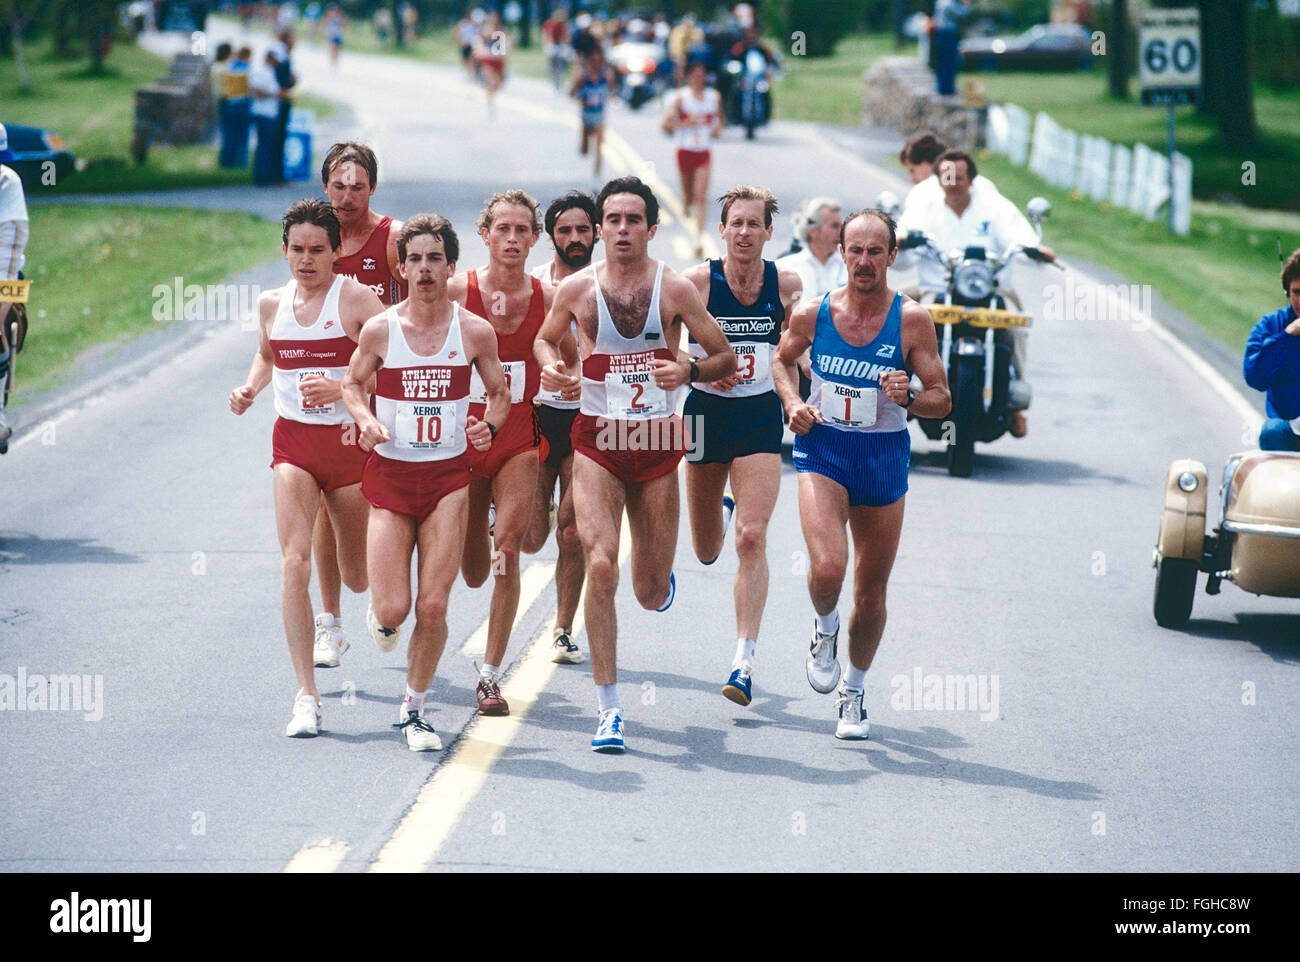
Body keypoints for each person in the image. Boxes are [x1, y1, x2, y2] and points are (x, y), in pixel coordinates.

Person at [535, 176, 736, 753]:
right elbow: (545, 342)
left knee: (647, 590)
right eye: (613, 220)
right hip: (596, 442)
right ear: (600, 229)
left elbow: (721, 354)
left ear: (651, 227)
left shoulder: (673, 290)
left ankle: (659, 575)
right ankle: (609, 709)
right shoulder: (576, 289)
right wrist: (553, 367)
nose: (622, 230)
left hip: (656, 447)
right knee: (601, 566)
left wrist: (689, 372)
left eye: (633, 220)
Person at [772, 209, 951, 739]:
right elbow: (781, 362)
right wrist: (791, 403)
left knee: (870, 595)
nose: (864, 261)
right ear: (841, 251)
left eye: (876, 251)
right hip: (823, 449)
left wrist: (912, 398)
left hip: (881, 458)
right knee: (828, 569)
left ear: (893, 256)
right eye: (855, 250)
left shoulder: (912, 320)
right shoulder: (812, 313)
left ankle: (854, 692)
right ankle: (824, 629)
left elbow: (943, 399)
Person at [341, 214, 511, 751]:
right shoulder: (382, 330)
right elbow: (351, 381)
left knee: (433, 606)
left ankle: (414, 709)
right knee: (393, 609)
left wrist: (488, 424)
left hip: (447, 481)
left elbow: (499, 392)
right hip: (391, 480)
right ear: (401, 267)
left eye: (434, 258)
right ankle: (384, 616)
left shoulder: (474, 331)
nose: (423, 269)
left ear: (450, 266)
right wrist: (366, 419)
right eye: (413, 259)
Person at [228, 199, 386, 737]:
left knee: (359, 575)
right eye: (297, 249)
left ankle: (354, 611)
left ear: (337, 251)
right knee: (293, 561)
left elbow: (394, 373)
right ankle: (306, 696)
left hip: (348, 448)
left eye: (318, 249)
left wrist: (344, 390)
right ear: (285, 250)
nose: (307, 260)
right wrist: (250, 387)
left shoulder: (358, 301)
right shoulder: (271, 303)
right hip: (292, 444)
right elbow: (269, 356)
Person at [680, 186, 803, 705]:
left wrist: (801, 400)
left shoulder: (786, 283)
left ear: (769, 232)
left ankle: (743, 661)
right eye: (737, 224)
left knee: (752, 538)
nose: (746, 232)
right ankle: (720, 509)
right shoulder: (695, 284)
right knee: (707, 549)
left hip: (757, 417)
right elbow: (663, 350)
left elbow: (798, 349)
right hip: (704, 417)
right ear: (722, 230)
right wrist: (701, 374)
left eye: (756, 224)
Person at [446, 190, 555, 715]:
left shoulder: (549, 297)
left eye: (522, 231)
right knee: (469, 569)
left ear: (534, 239)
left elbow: (572, 358)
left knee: (506, 554)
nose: (512, 240)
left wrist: (564, 373)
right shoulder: (450, 291)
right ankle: (482, 523)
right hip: (460, 438)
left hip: (517, 437)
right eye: (503, 230)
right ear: (484, 234)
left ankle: (489, 676)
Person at [306, 141, 405, 666]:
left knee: (376, 510)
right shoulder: (313, 239)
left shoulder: (391, 241)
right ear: (325, 186)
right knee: (323, 501)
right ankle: (329, 623)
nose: (347, 197)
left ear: (372, 188)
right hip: (321, 394)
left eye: (357, 187)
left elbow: (419, 313)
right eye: (338, 186)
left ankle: (383, 595)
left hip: (379, 391)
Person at [894, 149, 1053, 437]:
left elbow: (1020, 238)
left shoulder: (994, 206)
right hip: (937, 289)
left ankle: (1015, 400)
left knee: (1015, 326)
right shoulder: (924, 205)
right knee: (908, 323)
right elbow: (902, 248)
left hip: (989, 290)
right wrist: (901, 240)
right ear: (938, 179)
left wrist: (1037, 250)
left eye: (960, 176)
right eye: (947, 176)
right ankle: (898, 394)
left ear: (972, 180)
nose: (953, 181)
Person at [524, 192, 598, 664]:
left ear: (597, 233)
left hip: (585, 421)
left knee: (571, 531)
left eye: (583, 230)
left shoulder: (609, 286)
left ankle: (563, 628)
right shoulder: (530, 287)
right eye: (565, 230)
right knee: (531, 536)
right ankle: (528, 508)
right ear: (550, 234)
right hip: (534, 417)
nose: (574, 239)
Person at [661, 60, 722, 257]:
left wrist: (716, 128)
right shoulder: (681, 98)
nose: (699, 79)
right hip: (684, 151)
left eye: (702, 75)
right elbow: (665, 125)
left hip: (703, 152)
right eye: (695, 75)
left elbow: (719, 121)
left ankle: (698, 238)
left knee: (701, 197)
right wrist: (687, 123)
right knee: (688, 198)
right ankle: (686, 205)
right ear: (689, 77)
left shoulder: (713, 97)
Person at [1244, 249, 1300, 451]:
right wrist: (1287, 335)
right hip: (1286, 430)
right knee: (1272, 431)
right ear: (1287, 292)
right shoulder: (1270, 325)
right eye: (1296, 292)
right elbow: (1255, 377)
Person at [0, 124, 29, 446]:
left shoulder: (8, 183)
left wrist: (2, 301)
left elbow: (11, 245)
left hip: (4, 273)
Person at [572, 47, 613, 179]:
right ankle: (584, 139)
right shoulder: (583, 77)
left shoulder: (606, 76)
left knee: (600, 145)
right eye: (593, 60)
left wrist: (606, 96)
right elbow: (571, 93)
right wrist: (582, 100)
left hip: (599, 114)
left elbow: (613, 89)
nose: (596, 63)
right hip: (587, 114)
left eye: (598, 60)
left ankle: (597, 177)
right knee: (585, 150)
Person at [249, 47, 284, 186]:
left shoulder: (270, 72)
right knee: (264, 145)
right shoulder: (260, 71)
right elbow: (257, 91)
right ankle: (261, 177)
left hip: (270, 112)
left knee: (267, 145)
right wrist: (275, 95)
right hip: (262, 113)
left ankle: (265, 174)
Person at [272, 32, 298, 184]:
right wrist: (291, 81)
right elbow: (283, 80)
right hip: (281, 102)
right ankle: (276, 174)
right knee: (278, 138)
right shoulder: (282, 58)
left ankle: (277, 172)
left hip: (282, 101)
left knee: (280, 137)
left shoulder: (284, 56)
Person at [476, 11, 509, 118]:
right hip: (488, 61)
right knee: (491, 82)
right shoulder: (484, 31)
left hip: (499, 61)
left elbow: (507, 44)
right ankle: (490, 104)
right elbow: (478, 44)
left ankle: (491, 97)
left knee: (497, 84)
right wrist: (482, 51)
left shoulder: (502, 31)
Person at [932, 0, 968, 97]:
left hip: (941, 33)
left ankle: (943, 88)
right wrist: (966, 4)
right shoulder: (948, 3)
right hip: (947, 34)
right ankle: (947, 89)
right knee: (949, 62)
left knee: (944, 62)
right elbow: (961, 14)